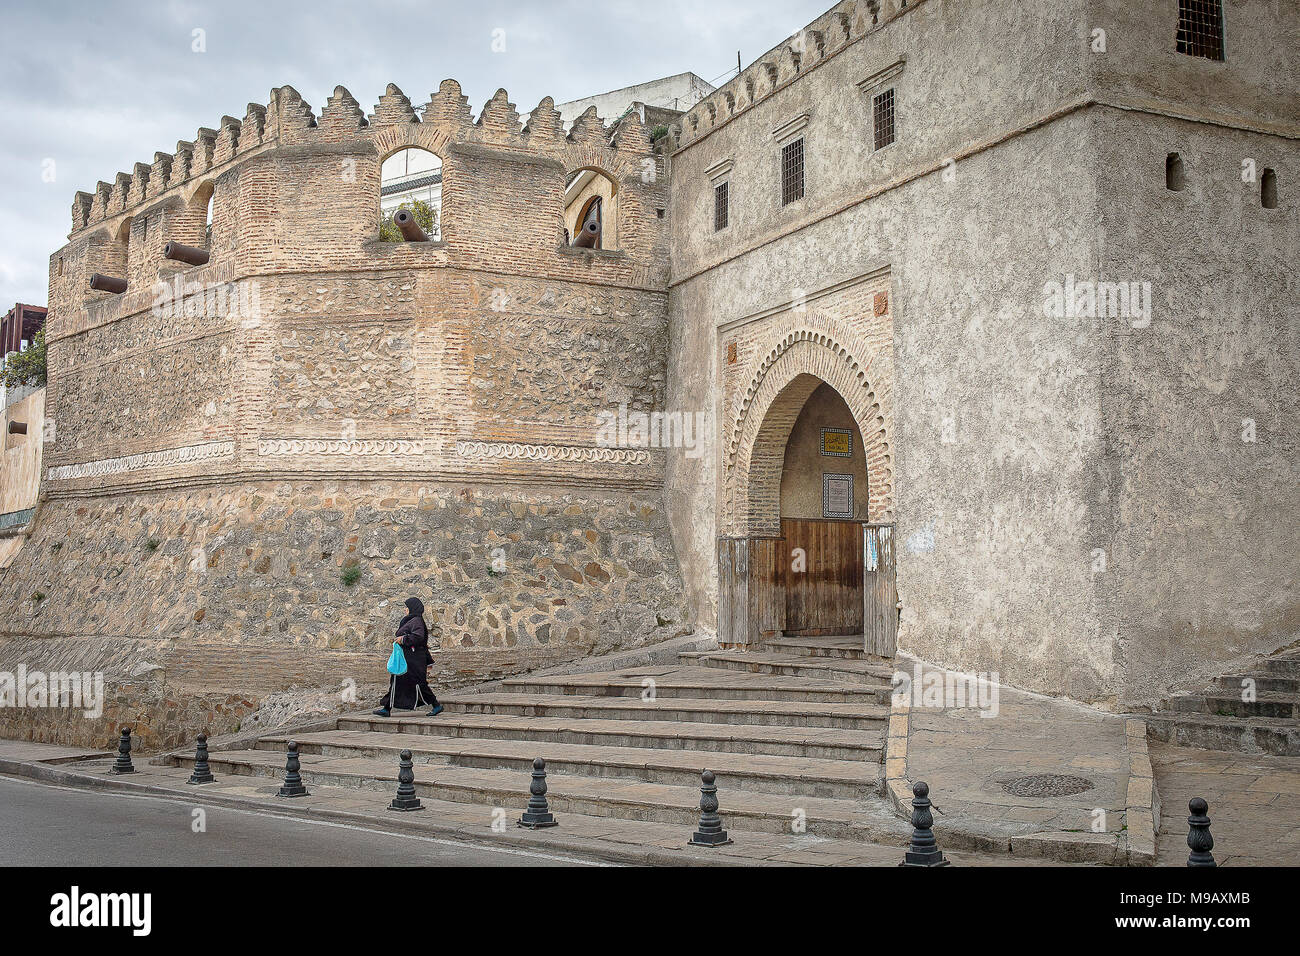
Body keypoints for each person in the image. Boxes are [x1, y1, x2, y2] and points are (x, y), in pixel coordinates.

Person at [373, 597, 443, 717]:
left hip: (414, 659)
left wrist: (403, 639)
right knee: (396, 681)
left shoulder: (416, 621)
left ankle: (436, 705)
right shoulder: (411, 620)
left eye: (407, 607)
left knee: (419, 683)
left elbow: (418, 637)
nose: (405, 610)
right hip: (406, 658)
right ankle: (386, 708)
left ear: (412, 608)